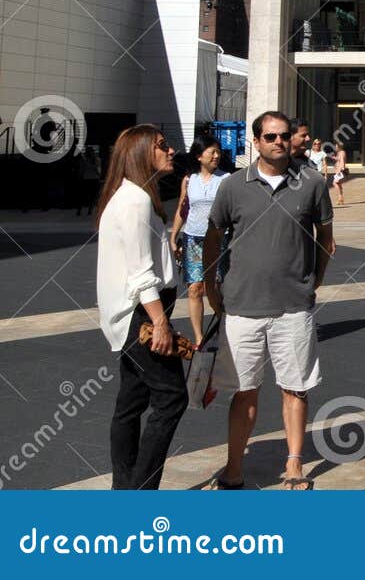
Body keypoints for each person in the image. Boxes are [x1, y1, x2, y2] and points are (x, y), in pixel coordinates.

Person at [203, 112, 335, 490]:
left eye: (284, 135)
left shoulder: (311, 183)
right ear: (256, 142)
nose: (279, 141)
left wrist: (313, 282)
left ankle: (295, 464)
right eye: (270, 136)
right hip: (243, 307)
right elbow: (213, 238)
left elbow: (326, 240)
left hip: (293, 308)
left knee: (295, 387)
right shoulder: (232, 186)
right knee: (244, 391)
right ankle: (233, 467)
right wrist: (212, 289)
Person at [95, 124, 185, 489]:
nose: (171, 151)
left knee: (131, 402)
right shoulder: (133, 201)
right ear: (140, 154)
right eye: (162, 146)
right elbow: (140, 274)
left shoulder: (131, 196)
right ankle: (141, 491)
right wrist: (161, 324)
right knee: (171, 396)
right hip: (142, 315)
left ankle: (124, 487)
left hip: (137, 313)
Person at [169, 133, 224, 345]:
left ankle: (225, 328)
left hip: (218, 239)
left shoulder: (226, 179)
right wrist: (174, 237)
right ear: (199, 156)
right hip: (192, 238)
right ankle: (199, 338)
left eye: (218, 152)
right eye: (212, 152)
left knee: (216, 288)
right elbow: (183, 209)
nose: (216, 156)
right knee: (195, 289)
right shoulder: (189, 180)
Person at [329, 139, 348, 207]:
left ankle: (340, 196)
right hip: (338, 170)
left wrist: (341, 169)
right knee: (339, 184)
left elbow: (342, 160)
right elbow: (339, 159)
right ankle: (341, 199)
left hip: (340, 171)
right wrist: (334, 158)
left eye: (336, 147)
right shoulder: (340, 153)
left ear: (339, 147)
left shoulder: (342, 152)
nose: (335, 148)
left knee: (335, 183)